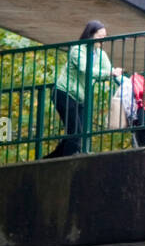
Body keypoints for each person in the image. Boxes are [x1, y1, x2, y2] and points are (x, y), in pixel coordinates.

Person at [45, 20, 121, 158]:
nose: (103, 40)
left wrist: (117, 75)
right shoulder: (78, 49)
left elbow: (108, 71)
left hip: (80, 97)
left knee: (76, 133)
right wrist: (109, 73)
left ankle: (50, 160)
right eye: (100, 37)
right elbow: (85, 69)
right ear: (90, 35)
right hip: (64, 93)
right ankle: (68, 160)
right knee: (76, 131)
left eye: (105, 37)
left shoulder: (101, 54)